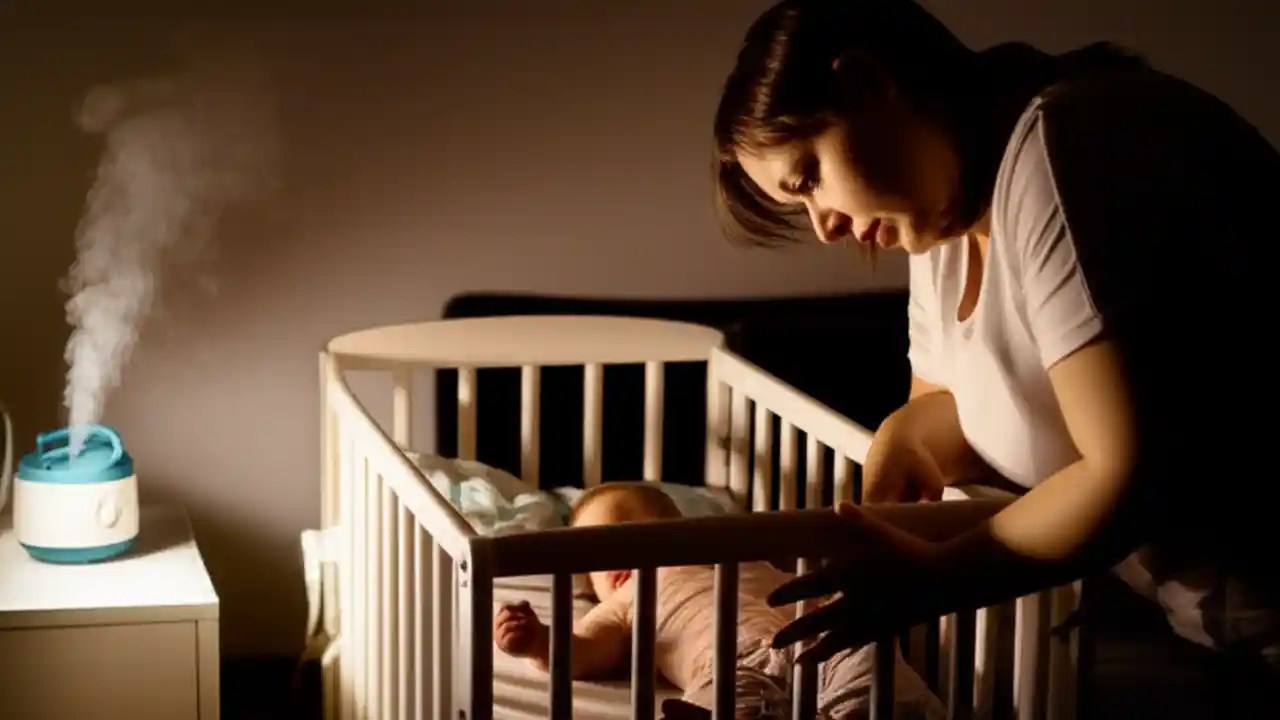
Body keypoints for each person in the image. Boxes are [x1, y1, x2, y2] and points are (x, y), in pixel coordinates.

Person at [710, 0, 1279, 713]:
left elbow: (1124, 470)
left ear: (867, 84)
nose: (824, 227)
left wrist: (937, 579)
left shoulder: (1063, 144)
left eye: (809, 177)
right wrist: (901, 443)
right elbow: (955, 409)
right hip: (1209, 630)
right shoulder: (943, 214)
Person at [493, 482, 945, 719]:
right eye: (602, 549)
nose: (622, 550)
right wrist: (537, 642)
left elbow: (807, 580)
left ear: (680, 528)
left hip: (824, 633)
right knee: (727, 699)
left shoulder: (736, 550)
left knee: (869, 662)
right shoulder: (625, 601)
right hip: (729, 661)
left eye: (635, 528)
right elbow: (583, 651)